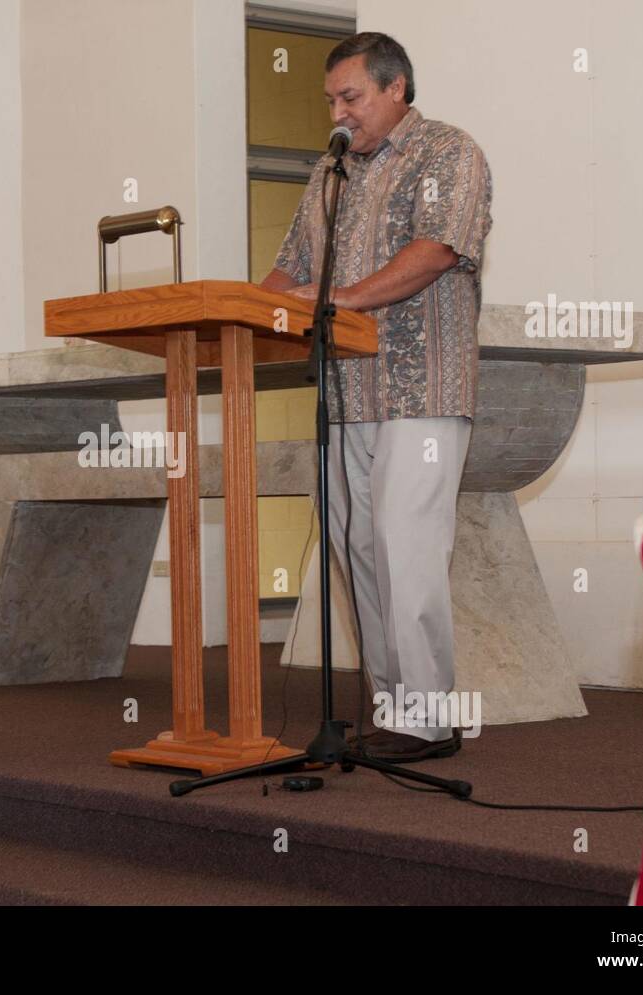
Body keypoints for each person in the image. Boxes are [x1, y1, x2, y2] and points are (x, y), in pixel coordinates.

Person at [259, 32, 493, 763]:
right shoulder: (330, 176)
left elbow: (439, 248)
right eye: (331, 99)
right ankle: (394, 710)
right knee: (358, 548)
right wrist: (233, 313)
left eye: (350, 97)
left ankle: (429, 720)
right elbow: (287, 269)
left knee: (406, 545)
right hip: (345, 393)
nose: (338, 112)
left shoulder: (448, 153)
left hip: (420, 386)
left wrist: (342, 301)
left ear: (397, 89)